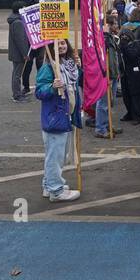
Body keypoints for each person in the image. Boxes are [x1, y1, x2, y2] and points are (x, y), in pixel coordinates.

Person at [34, 38, 82, 202]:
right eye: (57, 44)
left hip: (65, 116)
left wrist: (79, 67)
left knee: (55, 155)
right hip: (55, 118)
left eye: (63, 43)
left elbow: (77, 83)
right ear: (50, 47)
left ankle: (49, 186)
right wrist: (52, 87)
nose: (61, 46)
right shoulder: (48, 68)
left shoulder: (69, 65)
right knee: (55, 157)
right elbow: (39, 92)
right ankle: (56, 191)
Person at [7, 3, 35, 102]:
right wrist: (25, 54)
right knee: (17, 75)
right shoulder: (18, 22)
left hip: (15, 52)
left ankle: (17, 94)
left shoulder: (14, 20)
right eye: (24, 8)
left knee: (16, 73)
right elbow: (21, 40)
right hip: (19, 54)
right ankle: (17, 96)